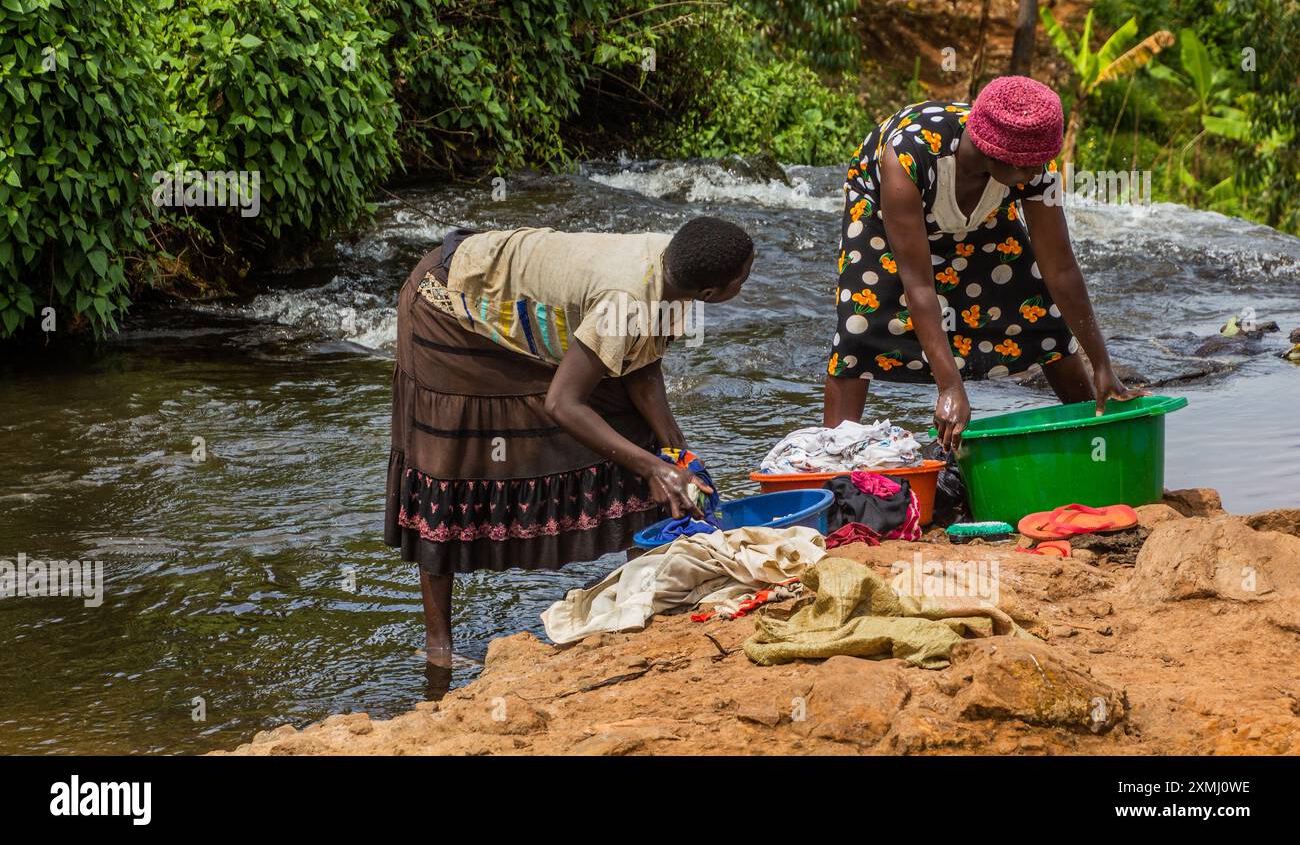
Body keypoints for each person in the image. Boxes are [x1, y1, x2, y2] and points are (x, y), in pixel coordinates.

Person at [385, 218, 754, 669]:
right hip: (451, 306)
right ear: (713, 293)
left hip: (520, 309)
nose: (746, 282)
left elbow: (641, 365)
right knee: (450, 461)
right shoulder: (629, 298)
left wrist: (675, 450)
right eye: (744, 277)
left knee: (633, 432)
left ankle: (643, 599)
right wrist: (654, 468)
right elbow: (563, 403)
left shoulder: (673, 275)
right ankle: (438, 646)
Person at [823, 75, 1143, 449]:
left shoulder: (1032, 170)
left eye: (1040, 164)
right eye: (1026, 166)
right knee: (861, 325)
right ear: (993, 152)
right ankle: (835, 458)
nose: (1034, 174)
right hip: (884, 208)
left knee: (1040, 314)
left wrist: (1101, 363)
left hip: (983, 211)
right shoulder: (908, 156)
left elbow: (1061, 270)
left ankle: (1093, 436)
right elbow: (919, 283)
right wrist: (950, 387)